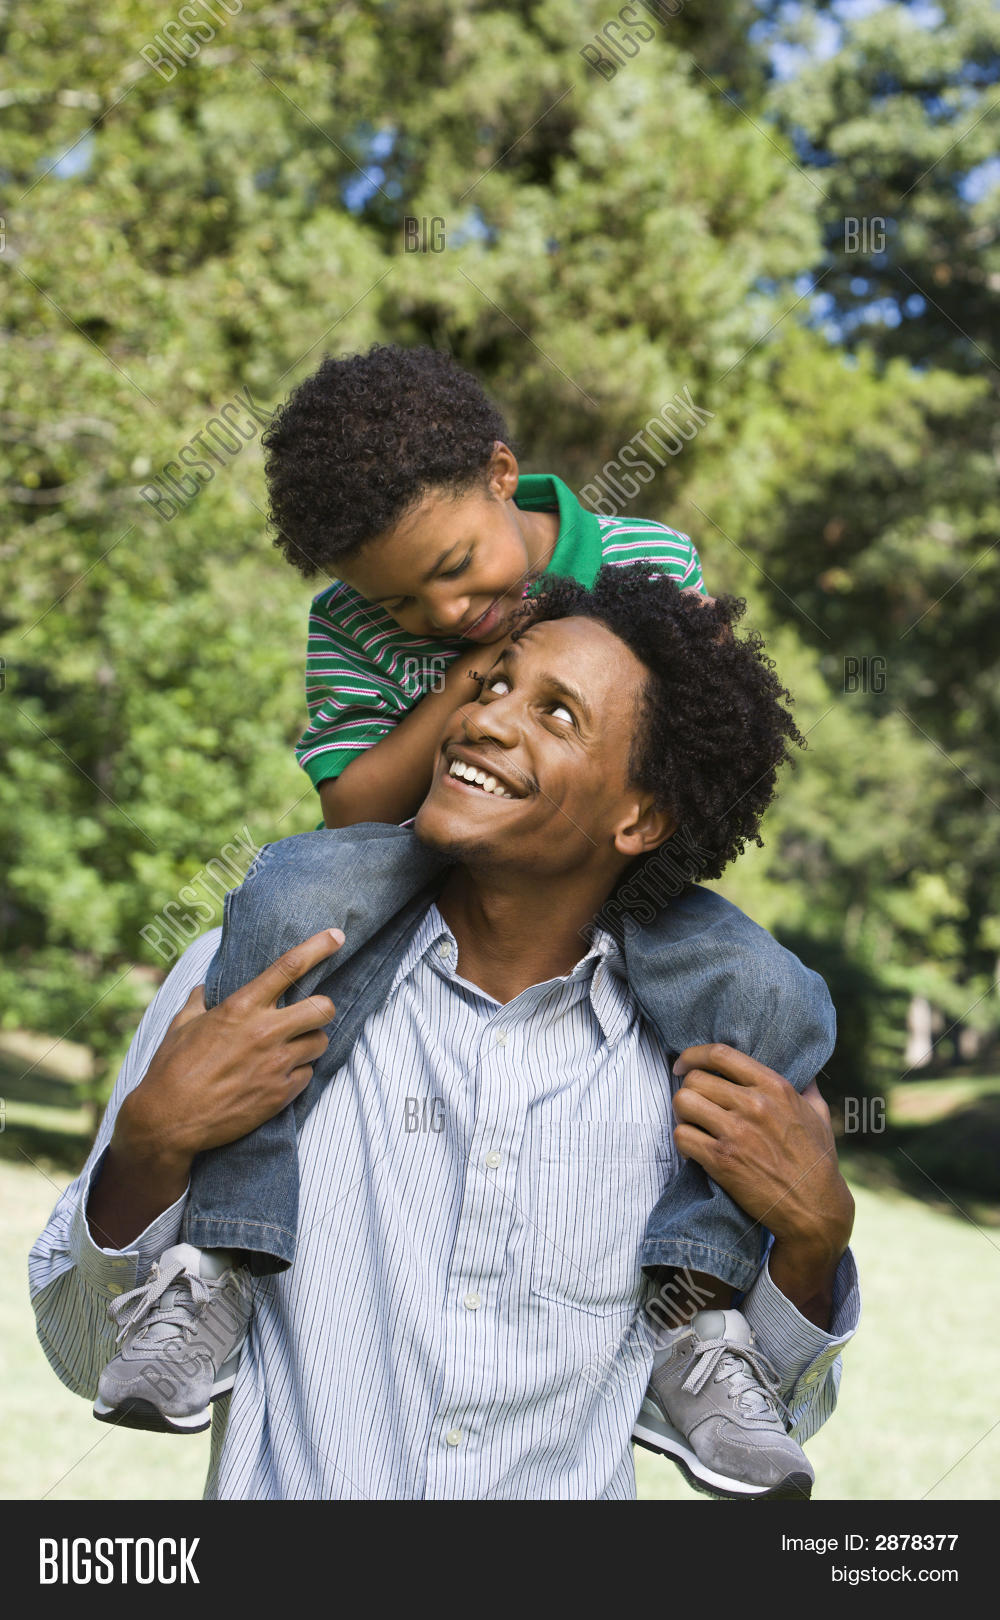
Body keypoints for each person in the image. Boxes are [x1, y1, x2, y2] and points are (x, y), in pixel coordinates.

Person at [30, 569, 859, 1501]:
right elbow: (78, 1346)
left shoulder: (709, 1072)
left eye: (557, 715)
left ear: (641, 817)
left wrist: (814, 1243)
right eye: (496, 684)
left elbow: (770, 1419)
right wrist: (151, 1147)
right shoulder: (250, 986)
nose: (486, 719)